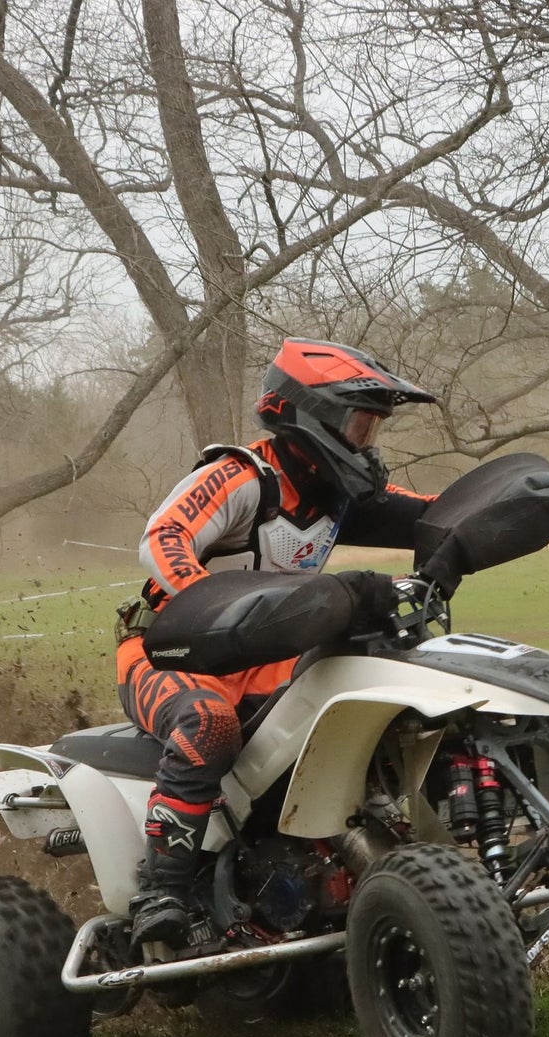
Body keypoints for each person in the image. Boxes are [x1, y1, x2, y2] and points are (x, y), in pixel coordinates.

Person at [116, 338, 440, 951]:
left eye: (372, 428)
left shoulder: (335, 498)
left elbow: (433, 514)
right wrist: (209, 607)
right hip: (172, 652)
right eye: (358, 424)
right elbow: (163, 536)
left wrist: (482, 519)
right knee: (209, 725)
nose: (365, 442)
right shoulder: (241, 477)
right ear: (310, 414)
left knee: (373, 691)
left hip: (269, 657)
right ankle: (160, 892)